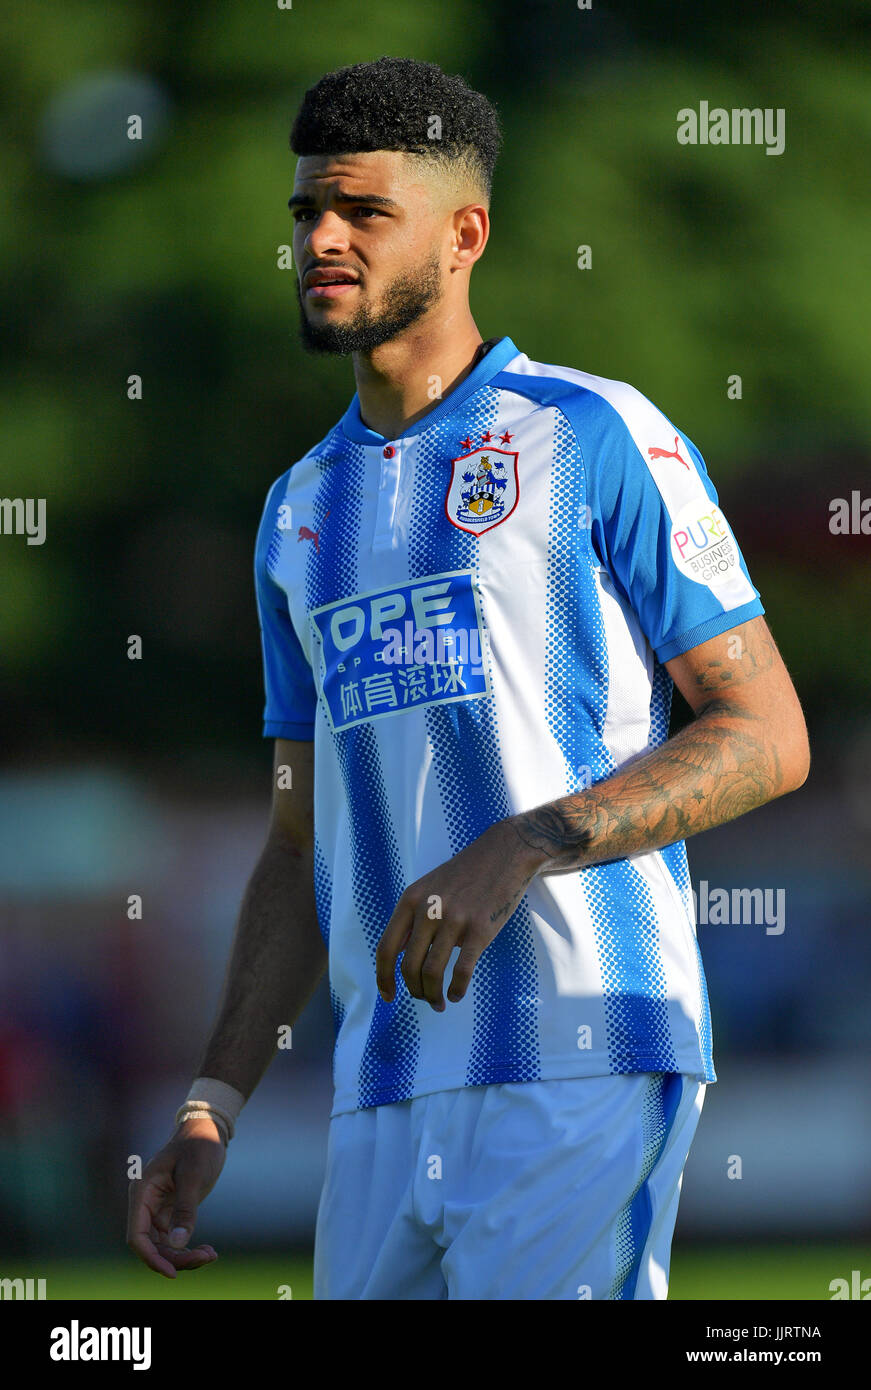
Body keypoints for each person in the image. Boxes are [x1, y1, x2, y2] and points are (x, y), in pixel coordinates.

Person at [127, 56, 809, 1300]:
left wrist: (530, 841)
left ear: (463, 234)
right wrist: (213, 1102)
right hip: (381, 1082)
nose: (321, 241)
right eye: (305, 216)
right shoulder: (294, 512)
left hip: (585, 1051)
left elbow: (766, 729)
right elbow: (298, 839)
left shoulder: (595, 433)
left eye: (362, 213)